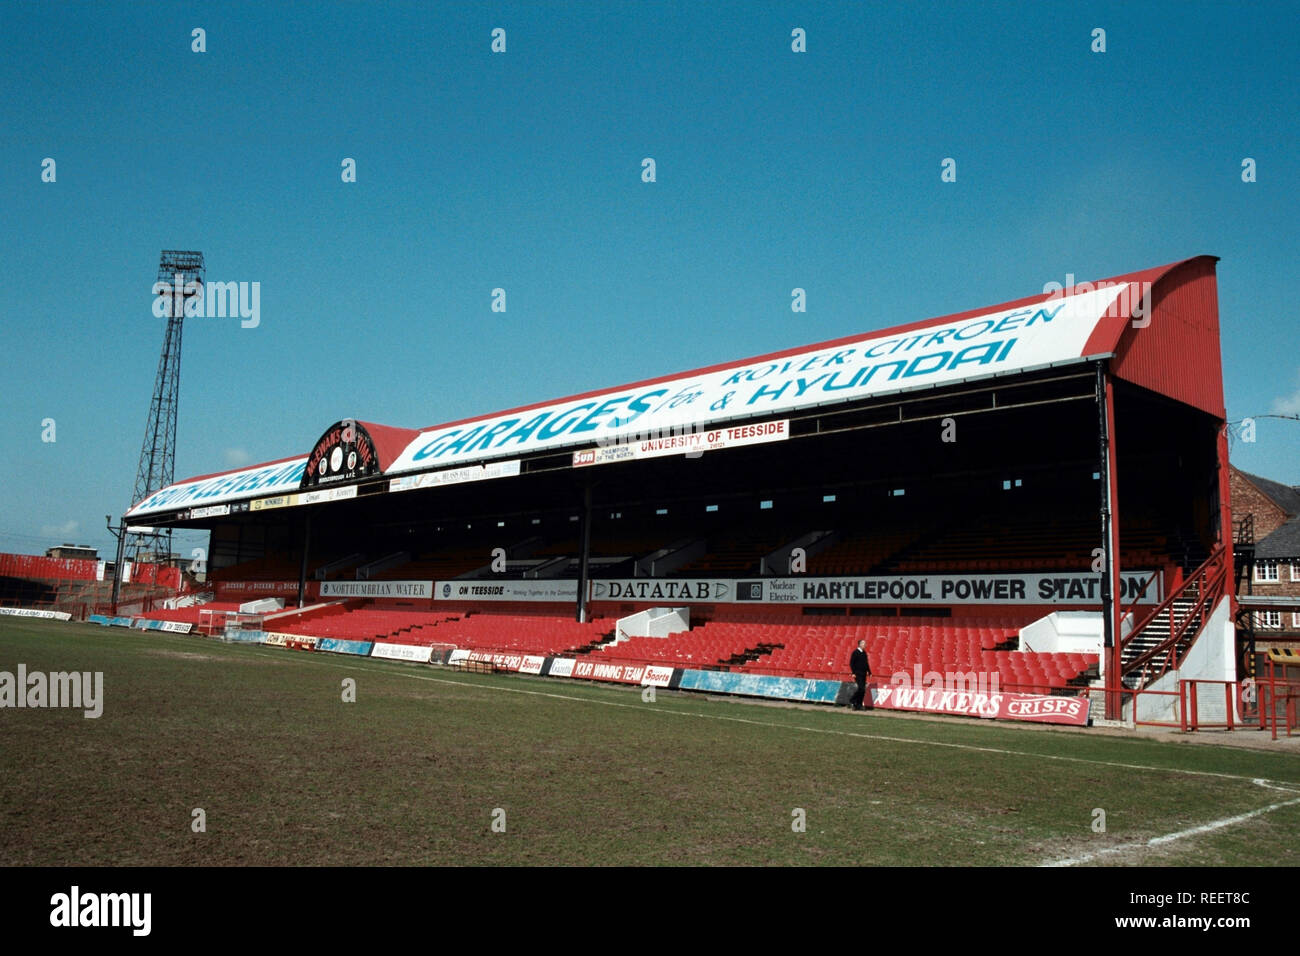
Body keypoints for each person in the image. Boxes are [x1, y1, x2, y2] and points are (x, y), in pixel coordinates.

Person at [849, 639, 871, 711]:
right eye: (863, 643)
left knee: (863, 690)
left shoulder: (864, 653)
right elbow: (852, 663)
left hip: (863, 673)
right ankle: (852, 700)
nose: (865, 645)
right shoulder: (855, 652)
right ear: (859, 644)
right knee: (861, 688)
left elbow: (866, 663)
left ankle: (859, 704)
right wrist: (853, 672)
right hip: (857, 674)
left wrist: (869, 671)